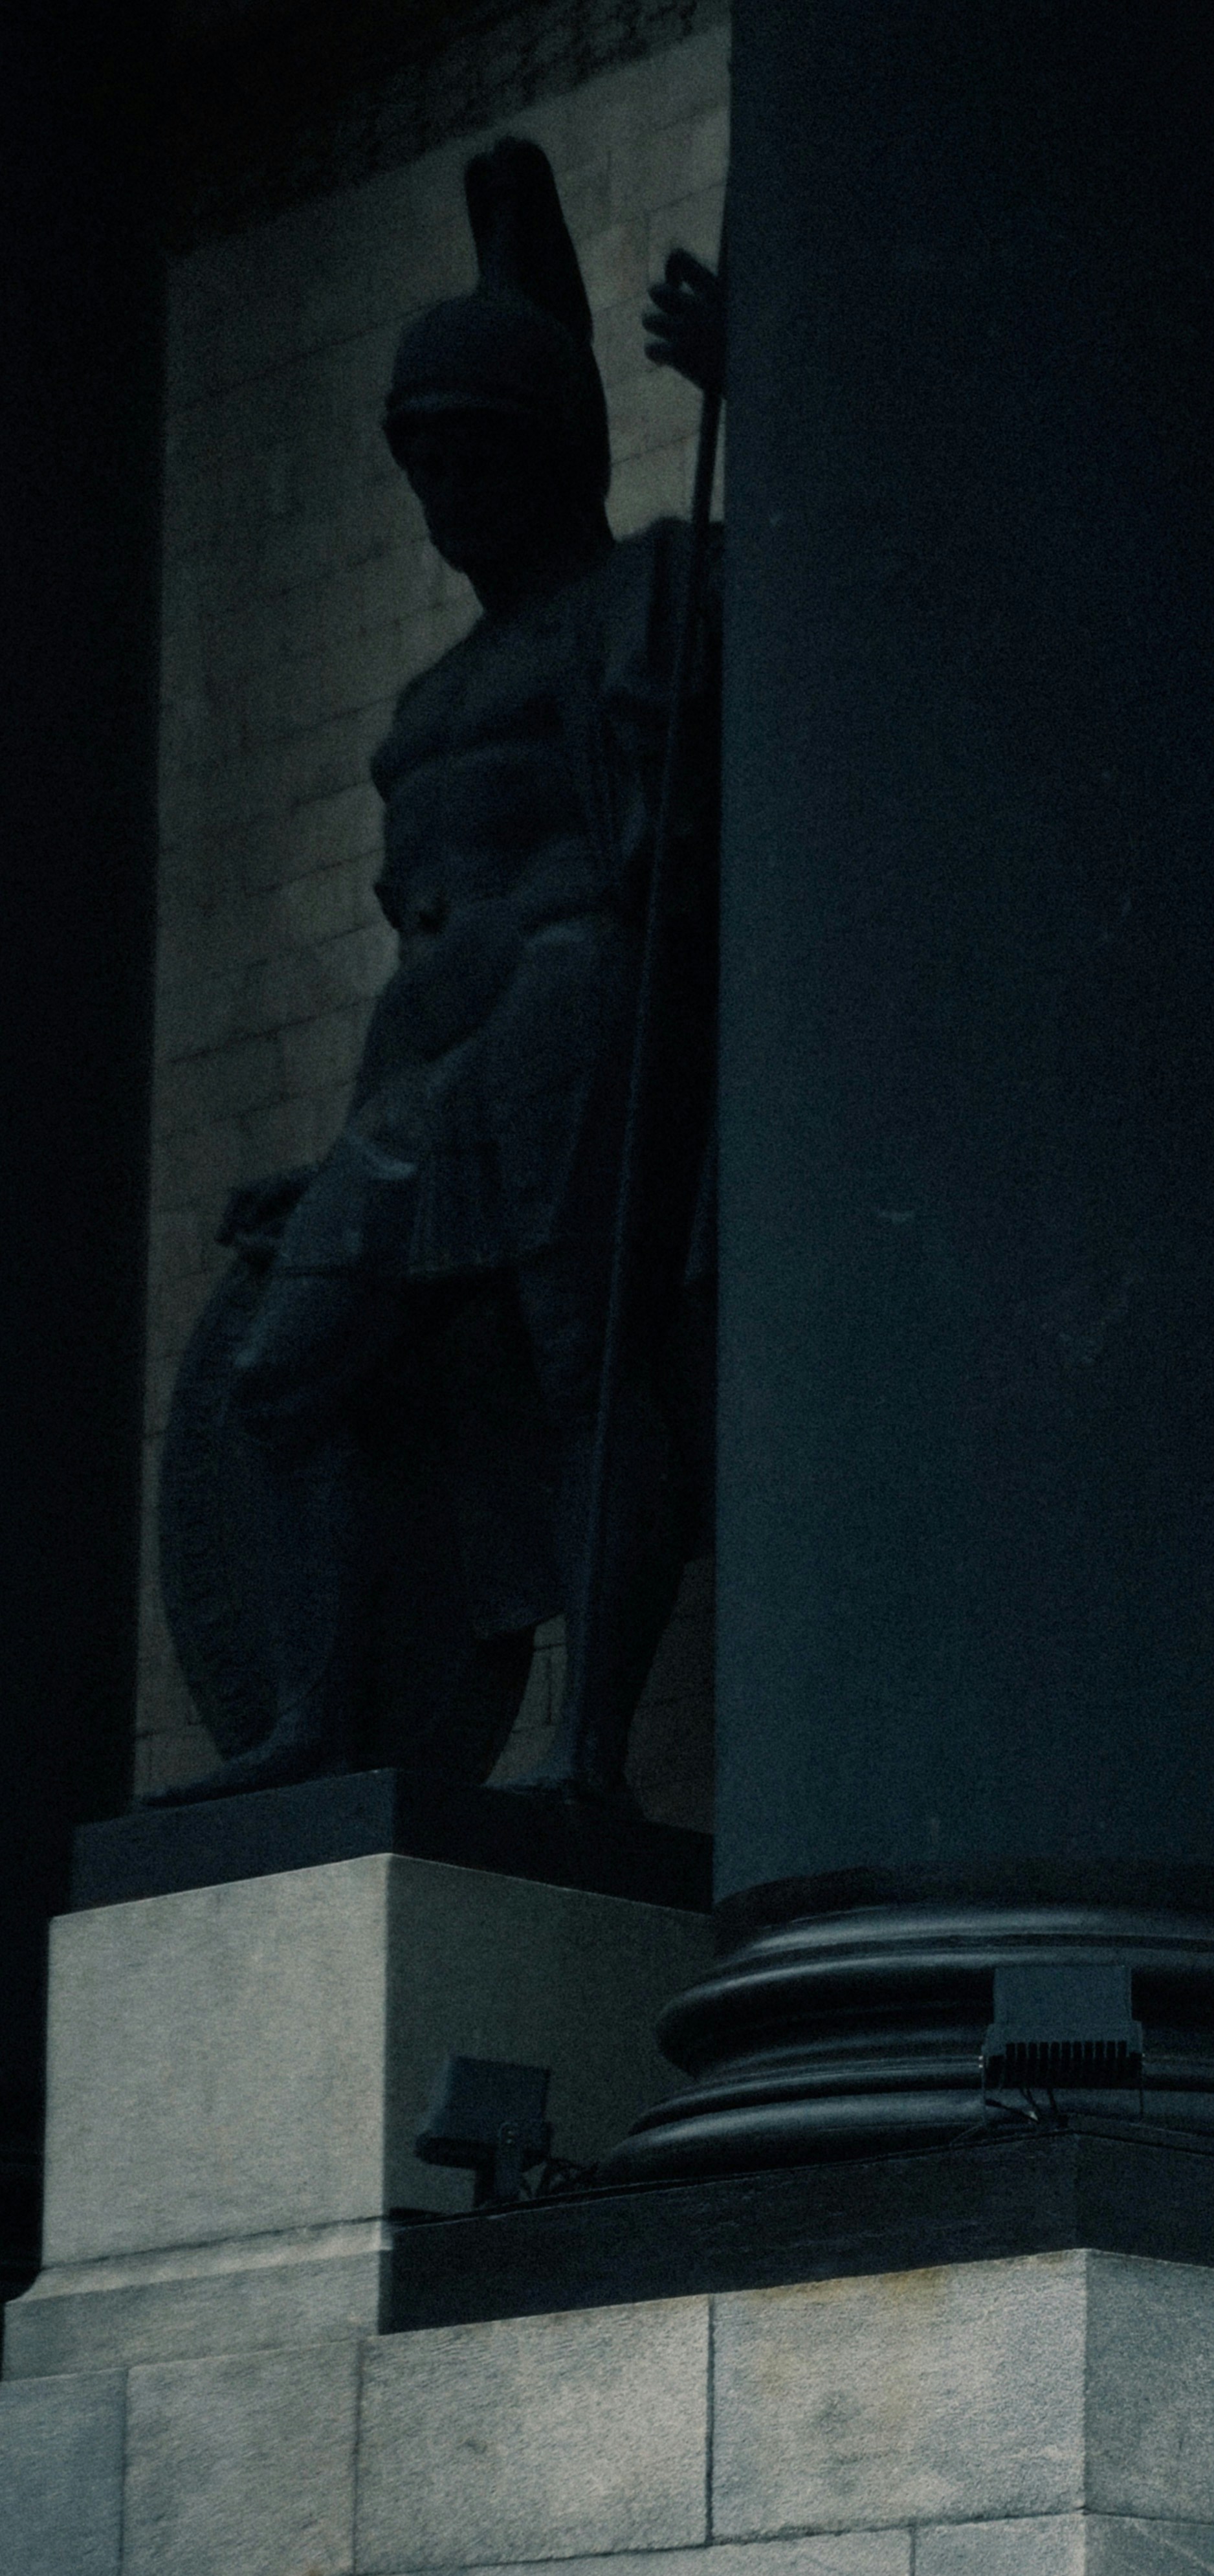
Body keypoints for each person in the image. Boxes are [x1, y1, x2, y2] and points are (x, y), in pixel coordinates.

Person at [159, 139, 722, 1810]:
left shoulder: (648, 596)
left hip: (576, 1008)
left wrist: (760, 382)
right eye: (426, 469)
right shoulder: (422, 707)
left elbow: (845, 629)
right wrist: (329, 1153)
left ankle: (587, 1759)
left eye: (475, 459)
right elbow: (412, 979)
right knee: (282, 1376)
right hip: (430, 1075)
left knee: (579, 1373)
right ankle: (323, 1720)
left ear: (549, 453)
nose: (447, 500)